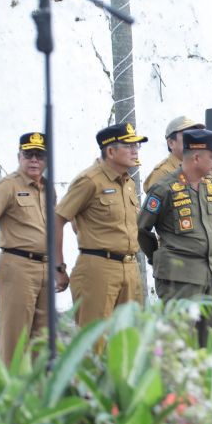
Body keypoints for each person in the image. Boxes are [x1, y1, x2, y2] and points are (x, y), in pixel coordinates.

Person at [0, 133, 67, 362]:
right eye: (29, 155)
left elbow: (53, 229)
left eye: (39, 155)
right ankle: (9, 393)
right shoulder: (8, 186)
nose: (34, 160)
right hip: (17, 267)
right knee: (15, 338)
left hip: (45, 267)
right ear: (19, 156)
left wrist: (59, 267)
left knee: (43, 338)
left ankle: (37, 393)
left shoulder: (48, 188)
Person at [55, 123, 148, 326]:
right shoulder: (89, 180)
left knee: (127, 340)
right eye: (129, 146)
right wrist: (58, 267)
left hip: (129, 266)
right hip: (99, 268)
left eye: (136, 146)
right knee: (94, 342)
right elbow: (58, 219)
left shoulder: (128, 183)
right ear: (111, 151)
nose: (135, 151)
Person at [138, 130, 212, 328]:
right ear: (196, 157)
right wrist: (159, 258)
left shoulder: (209, 184)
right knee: (182, 340)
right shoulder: (164, 188)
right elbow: (142, 229)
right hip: (180, 277)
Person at [144, 116, 205, 192]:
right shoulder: (162, 173)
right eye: (187, 136)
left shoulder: (202, 169)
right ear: (171, 143)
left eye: (196, 134)